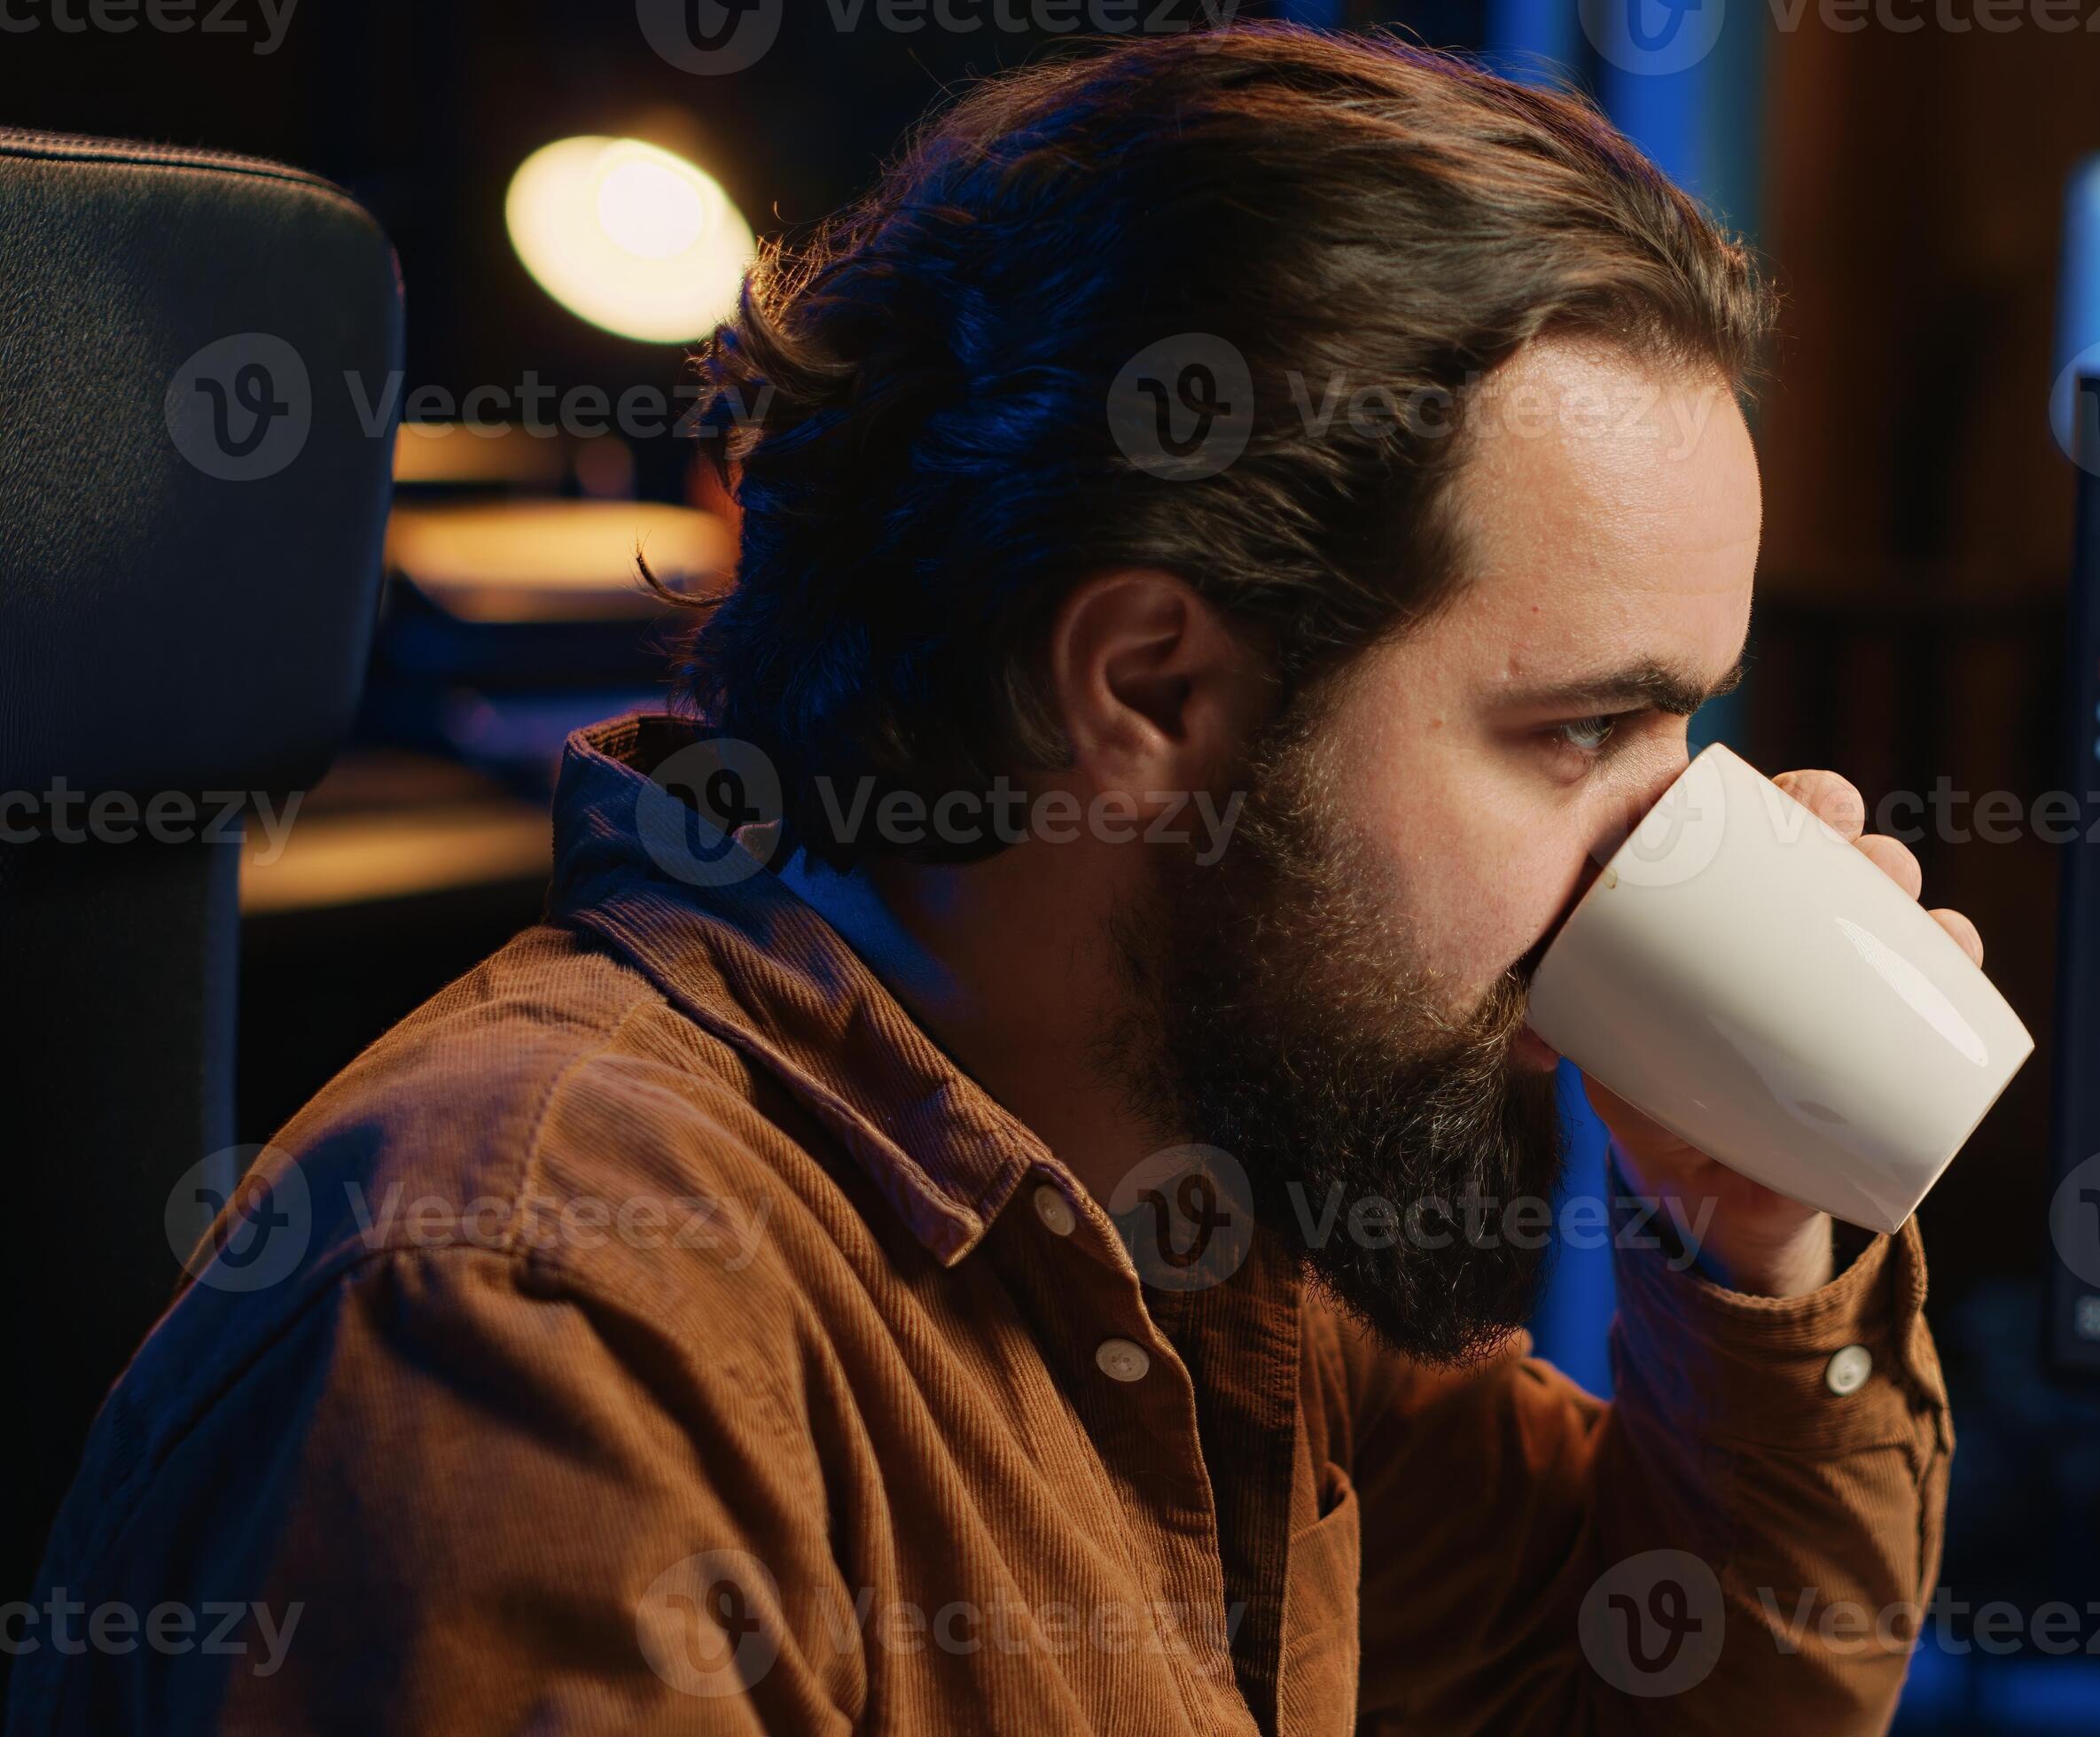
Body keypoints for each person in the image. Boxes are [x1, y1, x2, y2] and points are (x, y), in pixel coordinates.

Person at [13, 26, 1979, 1733]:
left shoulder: (1162, 1191)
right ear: (1150, 687)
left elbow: (1667, 1693)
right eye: (1577, 733)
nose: (1671, 842)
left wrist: (1750, 1244)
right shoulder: (535, 1339)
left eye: (1684, 733)